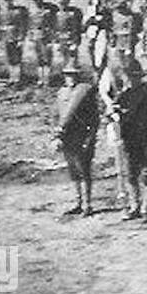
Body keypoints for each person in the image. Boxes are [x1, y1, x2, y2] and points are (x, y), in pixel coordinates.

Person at [115, 57, 147, 220]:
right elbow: (115, 115)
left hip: (146, 137)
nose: (130, 79)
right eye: (128, 76)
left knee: (146, 175)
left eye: (134, 76)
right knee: (130, 174)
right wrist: (116, 115)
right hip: (129, 139)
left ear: (139, 76)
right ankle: (134, 205)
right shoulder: (124, 95)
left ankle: (145, 208)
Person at [55, 63, 99, 215]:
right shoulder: (61, 93)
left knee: (83, 169)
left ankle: (87, 204)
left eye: (73, 74)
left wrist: (91, 137)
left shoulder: (85, 90)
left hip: (82, 135)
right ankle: (78, 201)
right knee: (73, 170)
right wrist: (57, 135)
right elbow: (58, 115)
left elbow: (94, 117)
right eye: (67, 75)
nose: (70, 78)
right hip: (67, 136)